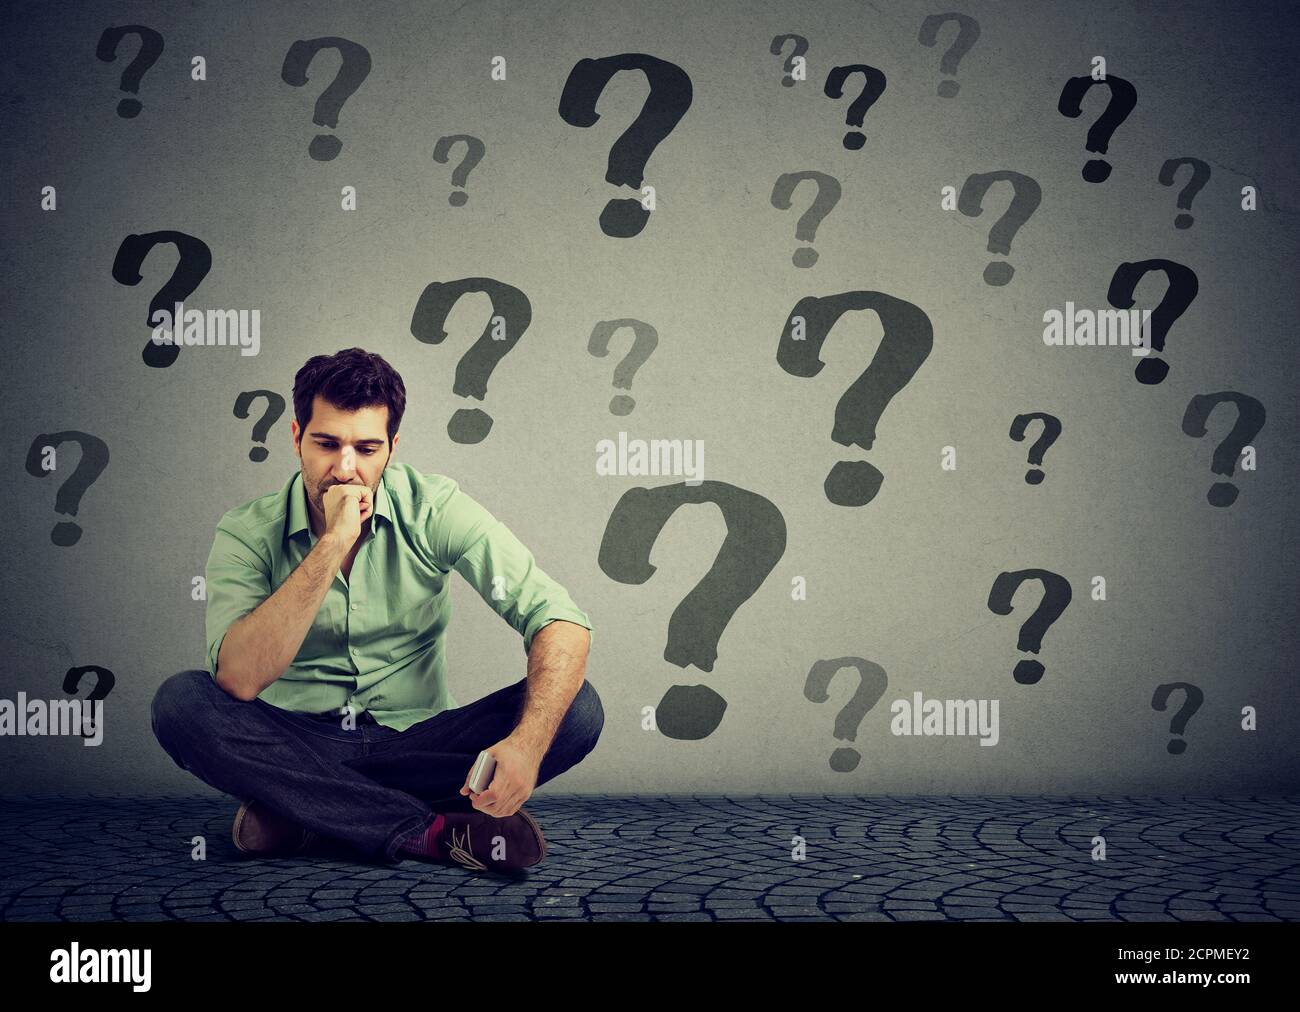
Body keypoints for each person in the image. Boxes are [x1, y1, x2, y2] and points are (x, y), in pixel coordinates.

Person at [151, 348, 602, 874]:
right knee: (181, 703)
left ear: (392, 447)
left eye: (366, 448)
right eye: (326, 444)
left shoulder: (435, 509)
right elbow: (239, 679)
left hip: (419, 744)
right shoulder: (247, 533)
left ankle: (309, 815)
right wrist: (333, 541)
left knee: (577, 709)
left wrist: (526, 745)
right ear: (296, 437)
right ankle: (428, 831)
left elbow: (560, 620)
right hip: (299, 743)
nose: (345, 469)